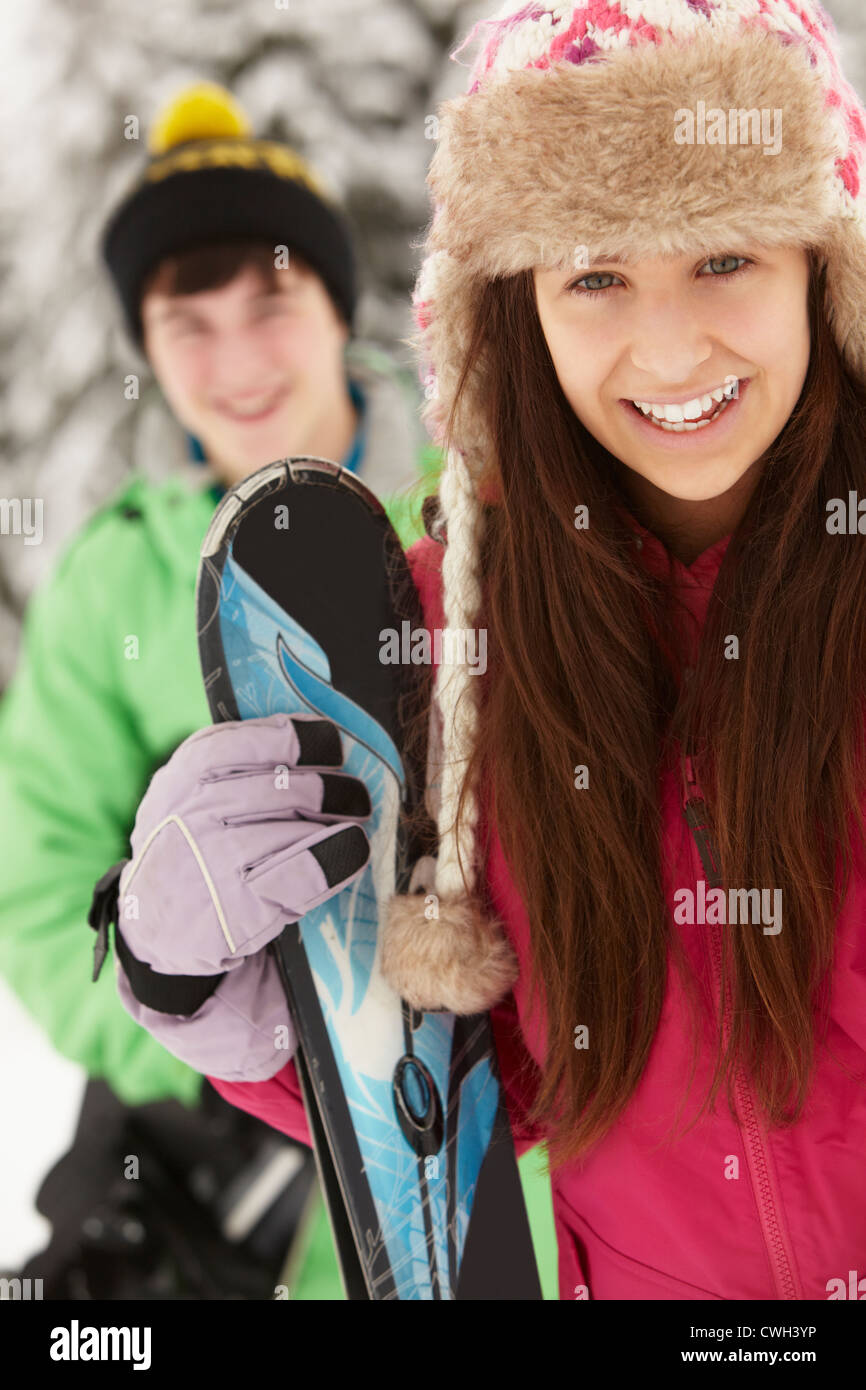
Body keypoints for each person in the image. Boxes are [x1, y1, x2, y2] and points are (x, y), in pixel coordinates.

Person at [98, 0, 866, 1301]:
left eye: (723, 257)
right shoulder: (433, 642)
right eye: (594, 274)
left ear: (820, 266)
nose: (670, 345)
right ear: (515, 306)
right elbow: (473, 1080)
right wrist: (219, 980)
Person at [0, 82, 443, 1298]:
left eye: (270, 302)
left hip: (489, 1113)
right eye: (187, 321)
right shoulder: (116, 579)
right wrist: (194, 1024)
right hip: (235, 1143)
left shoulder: (475, 496)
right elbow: (39, 892)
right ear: (145, 347)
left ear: (333, 304)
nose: (235, 358)